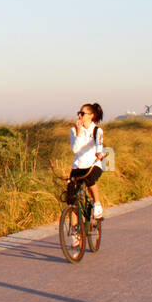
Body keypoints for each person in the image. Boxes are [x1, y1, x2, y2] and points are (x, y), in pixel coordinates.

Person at [66, 104, 105, 245]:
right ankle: (76, 232)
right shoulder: (73, 130)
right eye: (79, 113)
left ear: (91, 115)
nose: (80, 116)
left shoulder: (97, 130)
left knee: (90, 179)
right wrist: (78, 131)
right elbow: (75, 149)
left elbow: (99, 144)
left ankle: (97, 204)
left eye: (83, 113)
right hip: (78, 166)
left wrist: (99, 153)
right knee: (71, 198)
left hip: (93, 164)